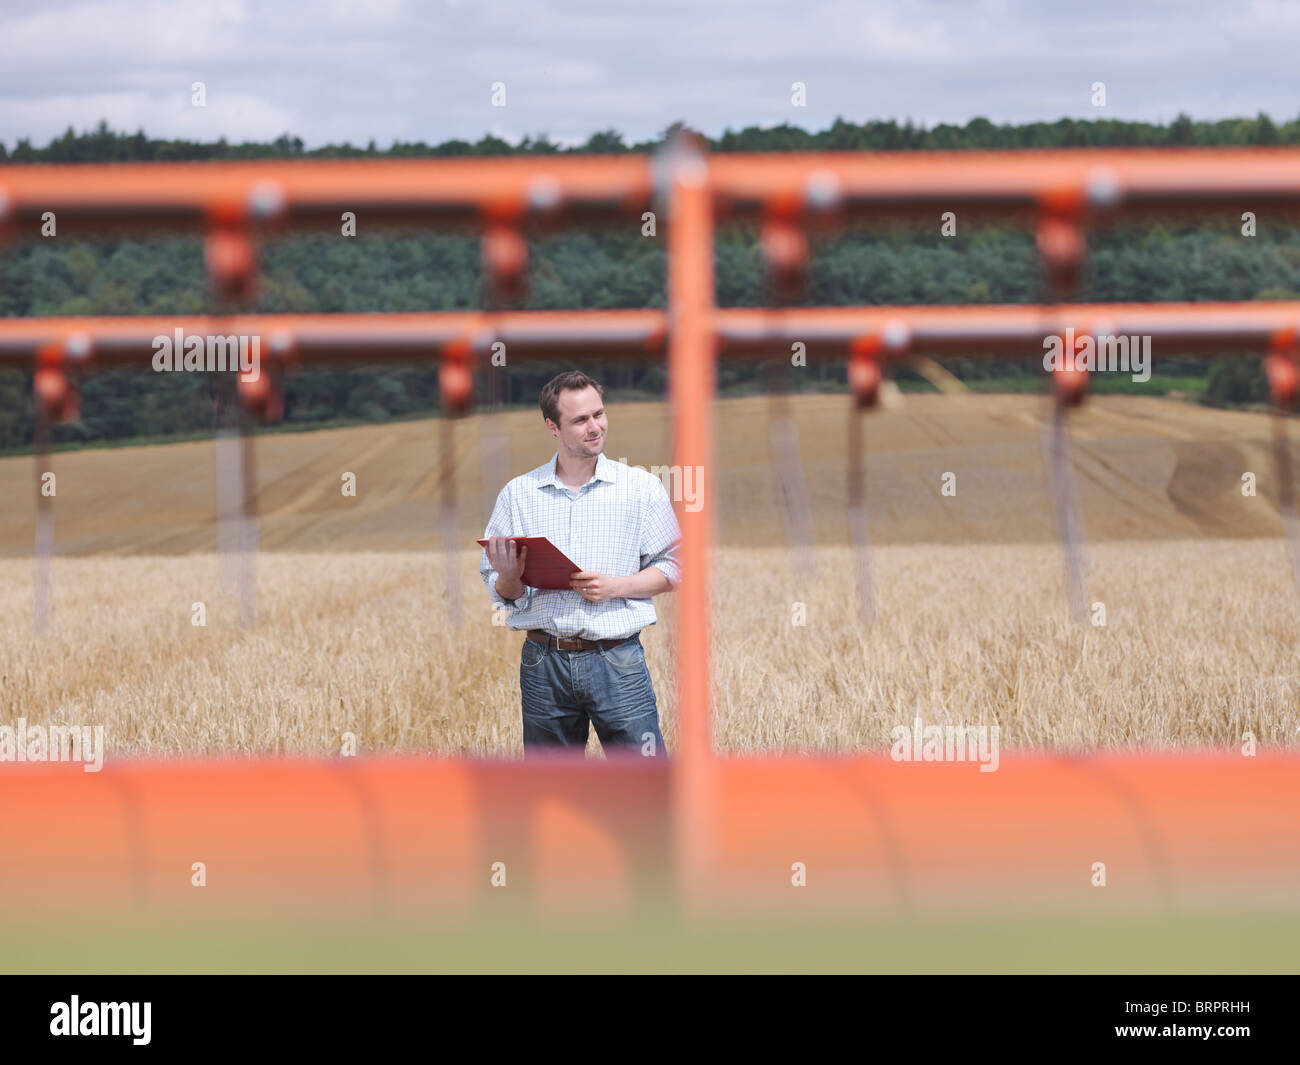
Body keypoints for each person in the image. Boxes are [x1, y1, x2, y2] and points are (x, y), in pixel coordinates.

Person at [480, 370, 681, 758]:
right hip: (543, 664)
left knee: (644, 784)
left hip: (617, 659)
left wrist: (616, 587)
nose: (595, 427)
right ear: (552, 426)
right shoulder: (518, 495)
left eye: (599, 414)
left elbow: (675, 567)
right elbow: (500, 588)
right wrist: (508, 577)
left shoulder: (641, 488)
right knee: (549, 790)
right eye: (580, 420)